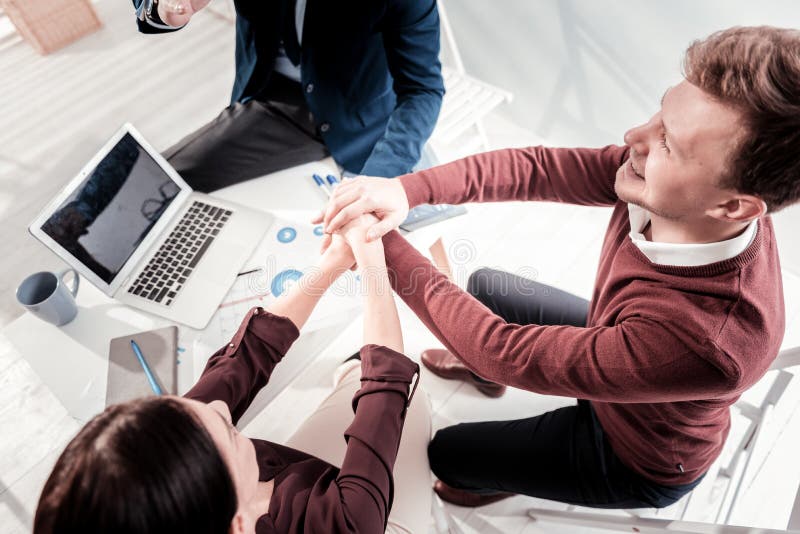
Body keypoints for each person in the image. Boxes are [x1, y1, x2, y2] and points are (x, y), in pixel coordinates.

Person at [315, 26, 800, 509]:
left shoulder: (708, 344)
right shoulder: (681, 191)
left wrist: (383, 244)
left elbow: (498, 351)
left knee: (447, 454)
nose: (635, 136)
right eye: (659, 113)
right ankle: (503, 416)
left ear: (736, 208)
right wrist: (406, 191)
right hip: (624, 342)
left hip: (633, 452)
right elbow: (537, 168)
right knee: (487, 285)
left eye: (669, 143)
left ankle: (503, 476)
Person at [33, 218, 433, 533]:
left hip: (307, 482)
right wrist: (371, 263)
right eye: (229, 429)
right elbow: (386, 385)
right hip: (376, 518)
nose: (218, 407)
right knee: (413, 400)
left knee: (353, 384)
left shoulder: (183, 457)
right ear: (238, 524)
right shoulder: (344, 524)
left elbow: (248, 356)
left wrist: (334, 260)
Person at [131, 0, 444, 193]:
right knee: (155, 183)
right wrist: (164, 8)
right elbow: (149, 4)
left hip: (358, 125)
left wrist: (378, 178)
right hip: (266, 97)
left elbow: (423, 89)